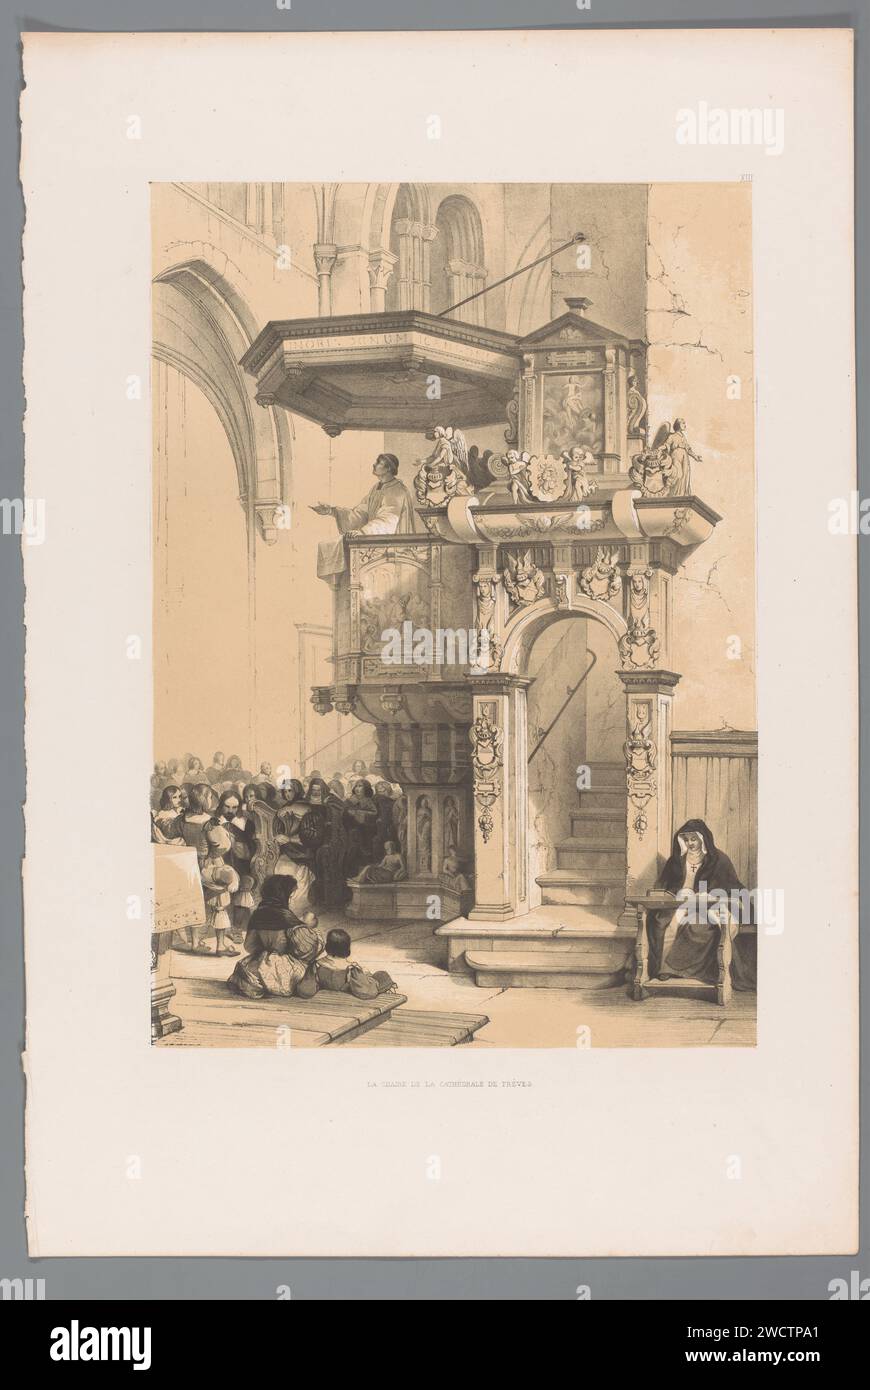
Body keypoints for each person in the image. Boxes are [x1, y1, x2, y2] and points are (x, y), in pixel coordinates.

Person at [648, 818, 756, 990]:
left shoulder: (718, 859)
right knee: (662, 923)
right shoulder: (676, 860)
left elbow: (730, 886)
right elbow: (664, 884)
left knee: (698, 927)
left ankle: (679, 969)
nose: (690, 843)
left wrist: (706, 895)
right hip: (679, 904)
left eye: (694, 839)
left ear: (702, 839)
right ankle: (661, 969)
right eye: (687, 839)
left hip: (707, 905)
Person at [314, 453, 418, 578]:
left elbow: (387, 521)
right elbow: (361, 513)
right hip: (375, 541)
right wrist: (332, 511)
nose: (374, 464)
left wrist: (363, 533)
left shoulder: (397, 490)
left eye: (379, 462)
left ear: (388, 468)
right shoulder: (376, 488)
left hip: (392, 548)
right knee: (330, 545)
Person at [227, 876, 324, 1000]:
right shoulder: (287, 916)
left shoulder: (257, 914)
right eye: (289, 897)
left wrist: (265, 949)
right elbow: (306, 949)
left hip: (258, 967)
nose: (290, 900)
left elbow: (249, 946)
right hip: (283, 968)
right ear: (282, 896)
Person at [297, 928, 396, 1001]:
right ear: (347, 949)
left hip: (329, 992)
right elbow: (367, 992)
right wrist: (367, 976)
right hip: (348, 997)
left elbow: (305, 991)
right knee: (382, 975)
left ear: (327, 947)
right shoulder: (351, 969)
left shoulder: (316, 965)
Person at [199, 826, 240, 957]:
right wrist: (223, 882)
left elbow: (228, 871)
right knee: (219, 915)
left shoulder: (216, 857)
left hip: (219, 891)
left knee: (217, 915)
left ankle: (219, 944)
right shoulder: (208, 860)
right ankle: (220, 946)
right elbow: (206, 876)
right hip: (218, 893)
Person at [341, 779, 379, 885]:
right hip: (350, 831)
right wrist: (349, 814)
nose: (358, 788)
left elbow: (374, 815)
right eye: (356, 786)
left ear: (366, 788)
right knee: (351, 851)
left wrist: (358, 813)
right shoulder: (348, 801)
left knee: (363, 853)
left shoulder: (368, 801)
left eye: (360, 786)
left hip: (366, 832)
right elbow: (343, 814)